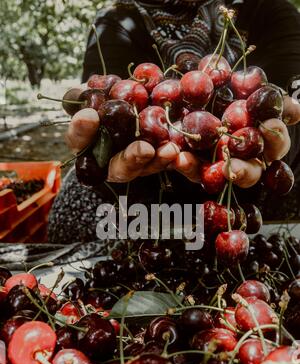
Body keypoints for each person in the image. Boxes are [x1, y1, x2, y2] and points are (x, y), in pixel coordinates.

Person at [48, 0, 300, 244]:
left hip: (250, 187)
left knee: (282, 230)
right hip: (142, 189)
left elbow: (281, 104)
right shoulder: (117, 19)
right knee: (72, 217)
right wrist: (97, 136)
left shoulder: (271, 11)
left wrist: (276, 132)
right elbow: (109, 108)